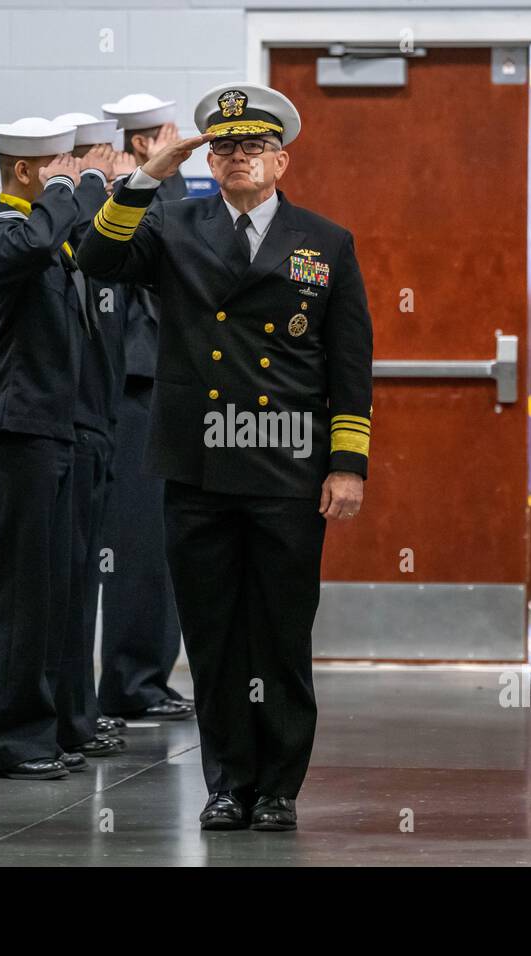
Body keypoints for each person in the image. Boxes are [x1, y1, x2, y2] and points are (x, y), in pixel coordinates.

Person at [79, 83, 374, 832]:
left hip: (286, 467)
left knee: (278, 635)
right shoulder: (175, 224)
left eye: (251, 147)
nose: (236, 157)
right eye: (224, 147)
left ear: (281, 159)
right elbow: (98, 257)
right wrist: (147, 176)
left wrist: (348, 465)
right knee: (212, 637)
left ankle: (277, 786)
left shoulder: (325, 241)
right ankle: (226, 783)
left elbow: (349, 364)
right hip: (200, 465)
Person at [0, 117, 117, 780]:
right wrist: (75, 183)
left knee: (52, 595)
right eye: (53, 164)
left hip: (51, 431)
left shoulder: (45, 237)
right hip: (13, 433)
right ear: (27, 172)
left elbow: (77, 241)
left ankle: (48, 727)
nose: (67, 176)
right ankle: (10, 739)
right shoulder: (1, 232)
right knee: (18, 597)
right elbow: (36, 240)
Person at [94, 93, 194, 722]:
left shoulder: (159, 197)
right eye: (167, 137)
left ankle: (147, 677)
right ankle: (131, 681)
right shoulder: (133, 201)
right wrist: (166, 170)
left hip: (164, 386)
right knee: (134, 544)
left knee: (162, 543)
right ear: (146, 141)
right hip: (137, 387)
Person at [48, 112, 135, 752]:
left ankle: (79, 709)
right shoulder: (57, 224)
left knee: (83, 583)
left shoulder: (101, 222)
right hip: (66, 422)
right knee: (65, 581)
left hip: (99, 417)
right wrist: (90, 191)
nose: (108, 168)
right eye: (96, 159)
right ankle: (64, 714)